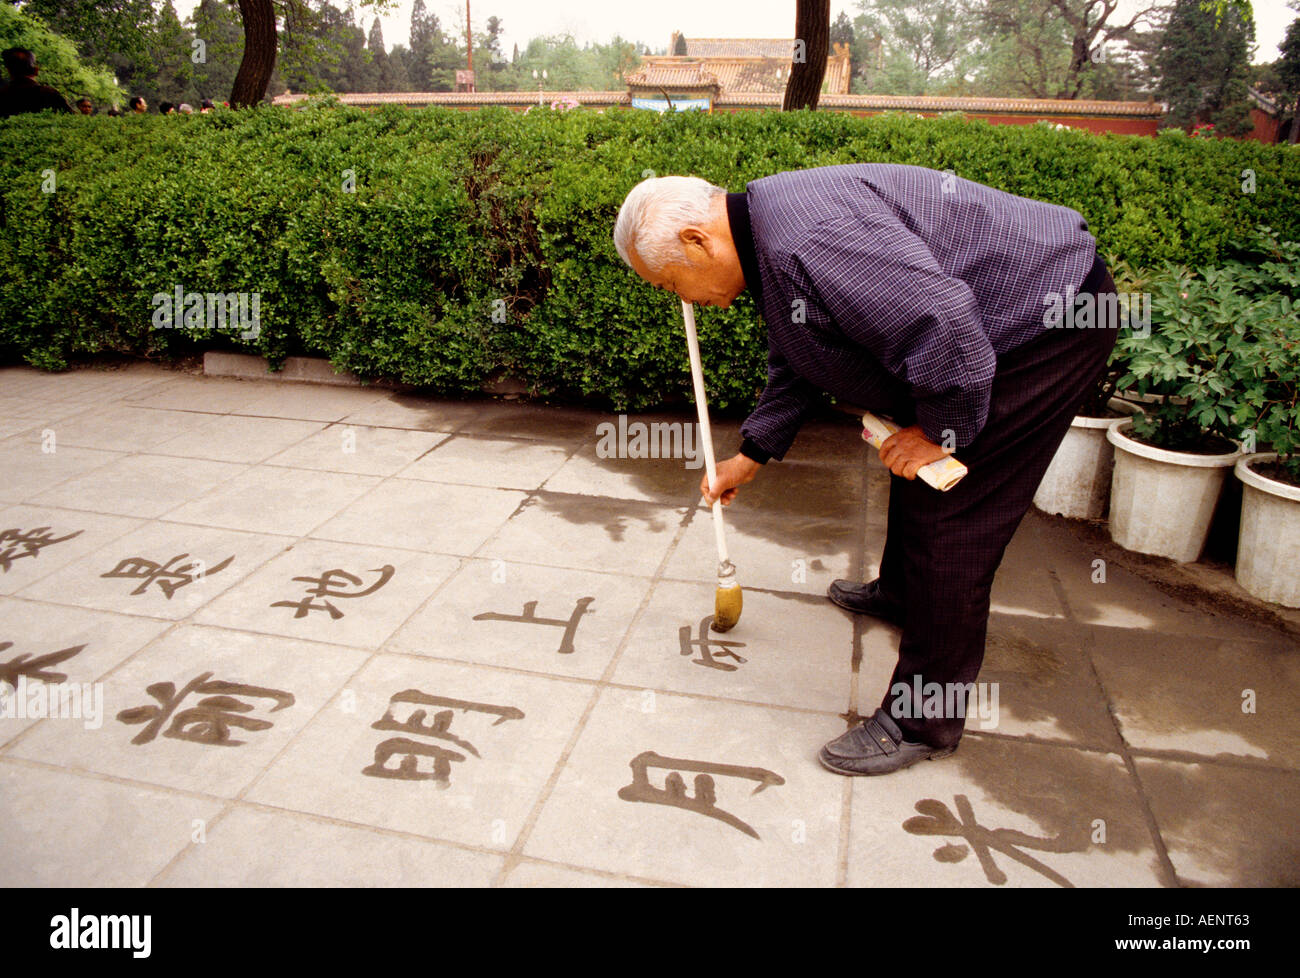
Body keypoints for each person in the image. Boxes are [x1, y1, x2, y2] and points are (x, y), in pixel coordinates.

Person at [614, 166, 1120, 776]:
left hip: (1042, 320)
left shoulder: (810, 237)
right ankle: (903, 593)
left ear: (698, 241)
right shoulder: (769, 237)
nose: (684, 301)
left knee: (956, 510)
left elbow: (944, 322)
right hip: (989, 323)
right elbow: (802, 354)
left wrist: (939, 432)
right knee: (913, 464)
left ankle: (922, 721)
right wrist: (753, 452)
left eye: (672, 285)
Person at [0, 47, 72, 117]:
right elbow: (71, 117)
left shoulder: (3, 95)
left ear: (8, 70)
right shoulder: (49, 94)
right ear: (36, 70)